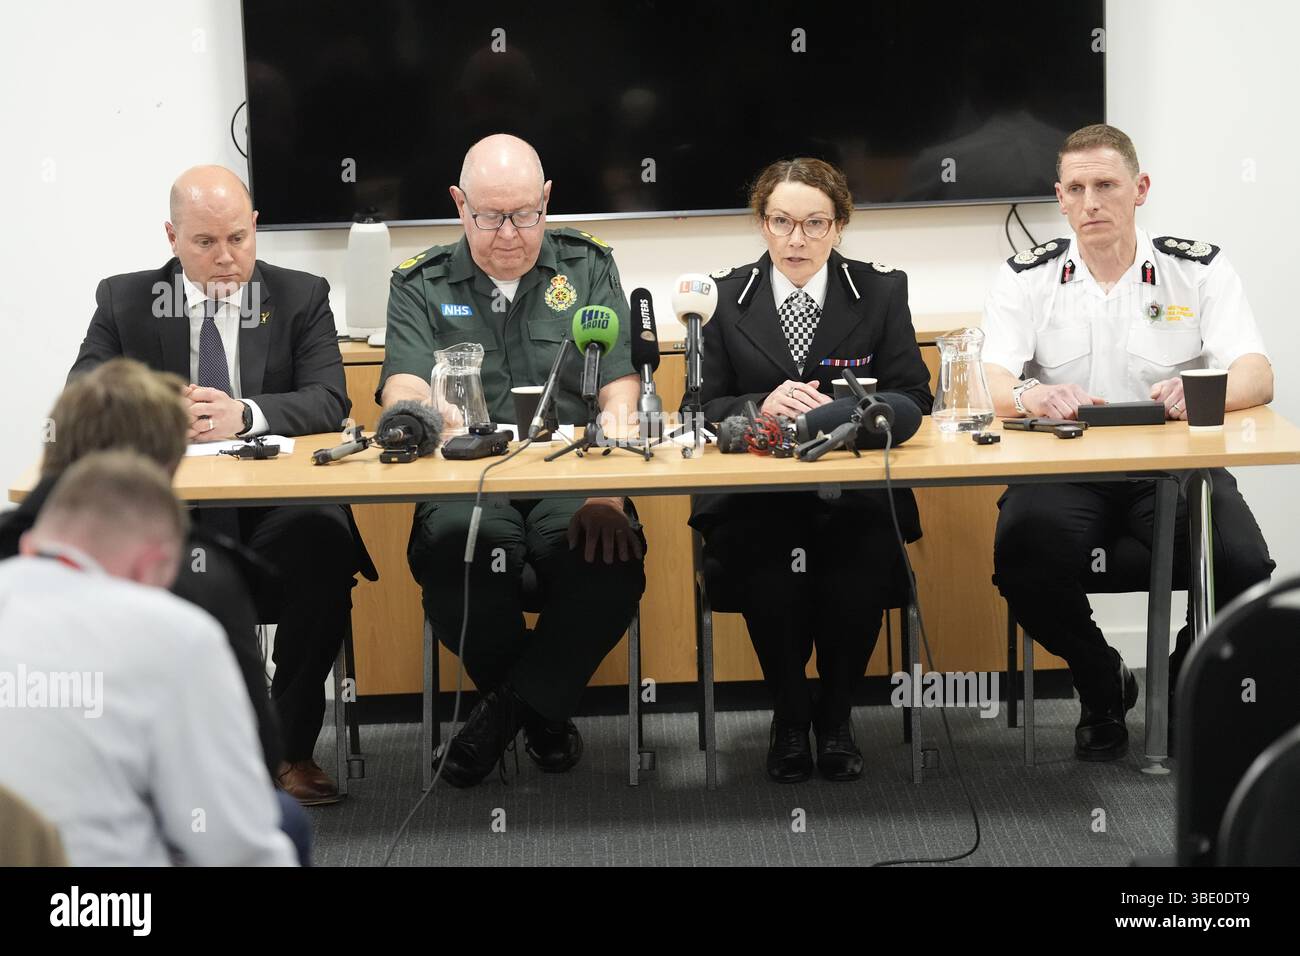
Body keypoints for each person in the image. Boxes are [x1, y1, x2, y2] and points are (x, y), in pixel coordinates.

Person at [68, 166, 376, 804]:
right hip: (177, 513)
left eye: (238, 238)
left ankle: (287, 751)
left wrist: (246, 412)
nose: (226, 258)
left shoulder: (300, 294)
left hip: (275, 509)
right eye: (205, 243)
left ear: (255, 228)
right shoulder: (125, 300)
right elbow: (82, 397)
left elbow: (328, 397)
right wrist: (153, 407)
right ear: (172, 237)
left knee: (322, 536)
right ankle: (189, 756)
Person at [982, 123, 1275, 761]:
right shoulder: (1027, 278)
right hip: (1065, 470)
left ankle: (1179, 674)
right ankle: (1100, 679)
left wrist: (1204, 389)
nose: (1091, 202)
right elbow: (994, 379)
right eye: (1076, 188)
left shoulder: (1194, 268)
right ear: (1059, 198)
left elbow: (1258, 372)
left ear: (1139, 189)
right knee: (1021, 560)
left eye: (1106, 185)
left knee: (1245, 566)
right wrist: (1032, 396)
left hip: (1171, 472)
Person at [379, 134, 646, 788]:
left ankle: (500, 718)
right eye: (489, 215)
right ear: (458, 205)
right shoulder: (420, 281)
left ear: (547, 201)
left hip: (572, 474)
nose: (507, 233)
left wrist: (609, 490)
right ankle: (542, 717)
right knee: (453, 557)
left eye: (524, 214)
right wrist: (416, 412)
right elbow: (403, 384)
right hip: (468, 482)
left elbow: (619, 388)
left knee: (608, 563)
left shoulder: (588, 268)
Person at [694, 158, 933, 782]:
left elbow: (913, 394)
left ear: (839, 225)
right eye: (780, 222)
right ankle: (790, 714)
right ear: (762, 223)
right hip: (757, 498)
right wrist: (758, 405)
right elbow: (698, 408)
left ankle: (836, 717)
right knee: (767, 574)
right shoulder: (722, 295)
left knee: (857, 571)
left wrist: (839, 414)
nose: (796, 240)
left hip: (851, 491)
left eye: (814, 223)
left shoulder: (880, 290)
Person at [0, 452, 297, 866]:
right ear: (153, 566)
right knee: (284, 820)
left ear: (30, 543)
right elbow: (235, 846)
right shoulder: (177, 633)